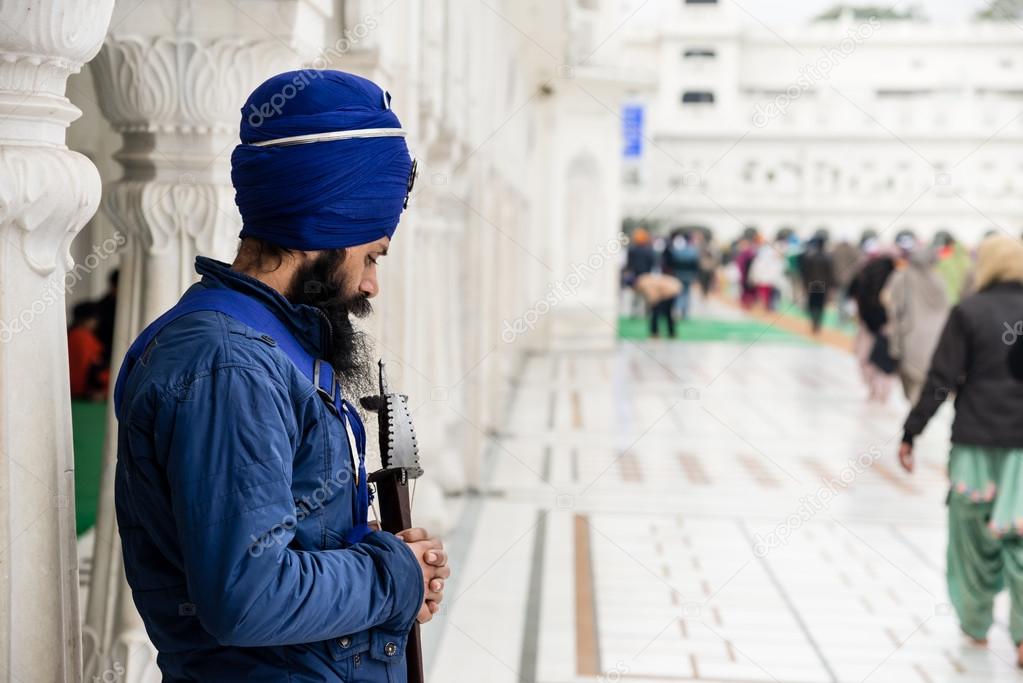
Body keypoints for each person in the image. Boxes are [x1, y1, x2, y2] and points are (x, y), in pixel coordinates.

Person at [113, 71, 449, 682]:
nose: (372, 283)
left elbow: (270, 536)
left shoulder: (264, 345)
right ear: (324, 229)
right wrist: (391, 573)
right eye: (370, 255)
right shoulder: (230, 366)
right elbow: (248, 594)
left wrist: (365, 552)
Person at [899, 235, 1023, 663]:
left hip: (976, 441)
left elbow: (941, 379)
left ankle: (976, 625)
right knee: (1021, 538)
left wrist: (911, 431)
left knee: (970, 537)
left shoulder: (970, 311)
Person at [881, 239, 949, 403]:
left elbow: (887, 299)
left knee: (912, 385)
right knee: (925, 382)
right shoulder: (939, 281)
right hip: (936, 339)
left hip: (910, 336)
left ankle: (916, 414)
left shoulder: (902, 276)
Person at [847, 244, 896, 402]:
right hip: (887, 324)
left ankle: (873, 388)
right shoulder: (896, 273)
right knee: (885, 359)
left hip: (867, 322)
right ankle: (884, 393)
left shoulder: (865, 270)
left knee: (865, 357)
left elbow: (855, 293)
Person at [67, 301, 108, 400]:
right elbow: (93, 366)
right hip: (86, 392)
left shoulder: (69, 336)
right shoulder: (86, 338)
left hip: (68, 390)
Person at [798, 235, 834, 334]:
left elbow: (805, 273)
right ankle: (817, 323)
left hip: (812, 284)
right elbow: (830, 273)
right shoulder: (827, 258)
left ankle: (814, 322)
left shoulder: (810, 257)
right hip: (823, 284)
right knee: (820, 305)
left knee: (812, 304)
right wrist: (831, 286)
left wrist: (805, 284)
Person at [662, 230, 700, 320]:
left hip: (679, 274)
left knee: (679, 293)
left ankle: (678, 310)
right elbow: (695, 264)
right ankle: (684, 313)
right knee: (686, 294)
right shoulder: (693, 251)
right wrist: (695, 275)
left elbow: (673, 262)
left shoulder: (678, 250)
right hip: (689, 275)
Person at [635, 272, 682, 339]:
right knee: (667, 314)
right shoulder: (644, 280)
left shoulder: (644, 283)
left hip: (671, 292)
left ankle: (655, 333)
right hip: (670, 289)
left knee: (656, 314)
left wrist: (652, 304)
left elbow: (652, 296)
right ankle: (671, 333)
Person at [622, 227, 656, 318]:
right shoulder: (648, 250)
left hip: (636, 274)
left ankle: (635, 312)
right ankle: (645, 312)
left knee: (636, 294)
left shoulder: (632, 249)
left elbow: (629, 263)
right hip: (645, 274)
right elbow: (652, 262)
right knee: (646, 294)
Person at [749, 238, 786, 311]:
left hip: (775, 281)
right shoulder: (765, 256)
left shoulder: (780, 260)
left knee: (774, 295)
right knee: (765, 295)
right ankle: (766, 308)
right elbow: (758, 267)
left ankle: (771, 308)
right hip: (766, 280)